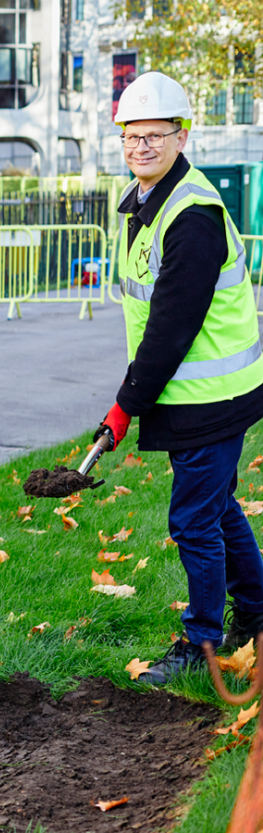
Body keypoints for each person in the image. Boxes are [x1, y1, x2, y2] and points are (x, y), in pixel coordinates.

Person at [95, 72, 263, 685]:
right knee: (217, 510)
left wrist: (125, 404)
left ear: (182, 134)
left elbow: (171, 327)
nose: (141, 147)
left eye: (155, 136)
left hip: (209, 396)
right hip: (194, 392)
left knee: (194, 520)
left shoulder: (192, 215)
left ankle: (202, 641)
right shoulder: (146, 201)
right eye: (131, 137)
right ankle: (257, 608)